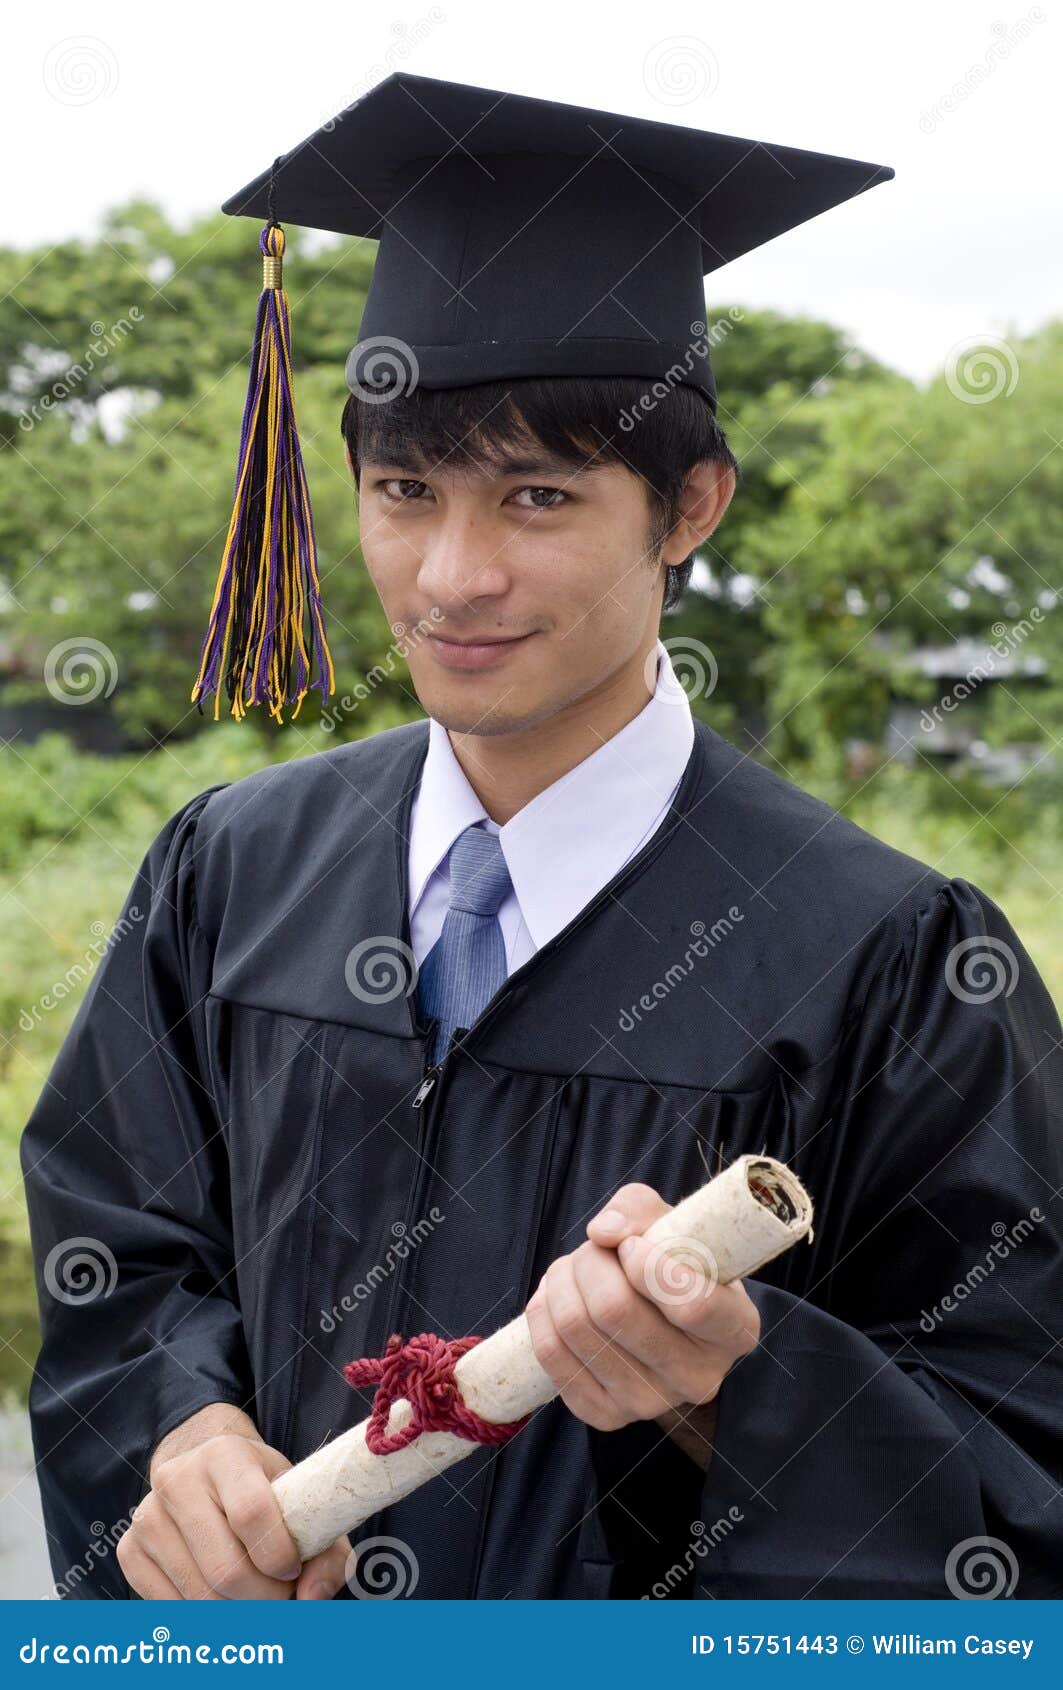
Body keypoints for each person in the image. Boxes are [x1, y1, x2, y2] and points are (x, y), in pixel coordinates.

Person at [21, 72, 1063, 1602]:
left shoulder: (887, 960)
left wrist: (737, 1392)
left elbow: (1018, 1492)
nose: (452, 573)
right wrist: (181, 1438)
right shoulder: (230, 874)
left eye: (536, 495)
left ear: (688, 504)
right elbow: (120, 1266)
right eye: (404, 490)